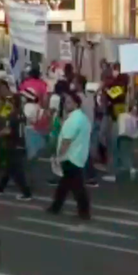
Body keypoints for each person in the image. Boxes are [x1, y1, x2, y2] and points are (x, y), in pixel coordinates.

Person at [47, 91, 92, 220]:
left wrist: (58, 156)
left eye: (69, 102)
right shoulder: (82, 118)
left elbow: (66, 141)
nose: (66, 105)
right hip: (77, 155)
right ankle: (56, 207)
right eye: (65, 102)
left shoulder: (73, 119)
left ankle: (83, 212)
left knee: (76, 187)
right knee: (65, 185)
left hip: (71, 157)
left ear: (76, 104)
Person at [0, 92, 33, 201]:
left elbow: (8, 130)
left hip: (13, 144)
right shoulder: (22, 114)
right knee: (9, 168)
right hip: (20, 143)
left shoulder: (13, 115)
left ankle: (27, 193)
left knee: (17, 171)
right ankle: (0, 188)